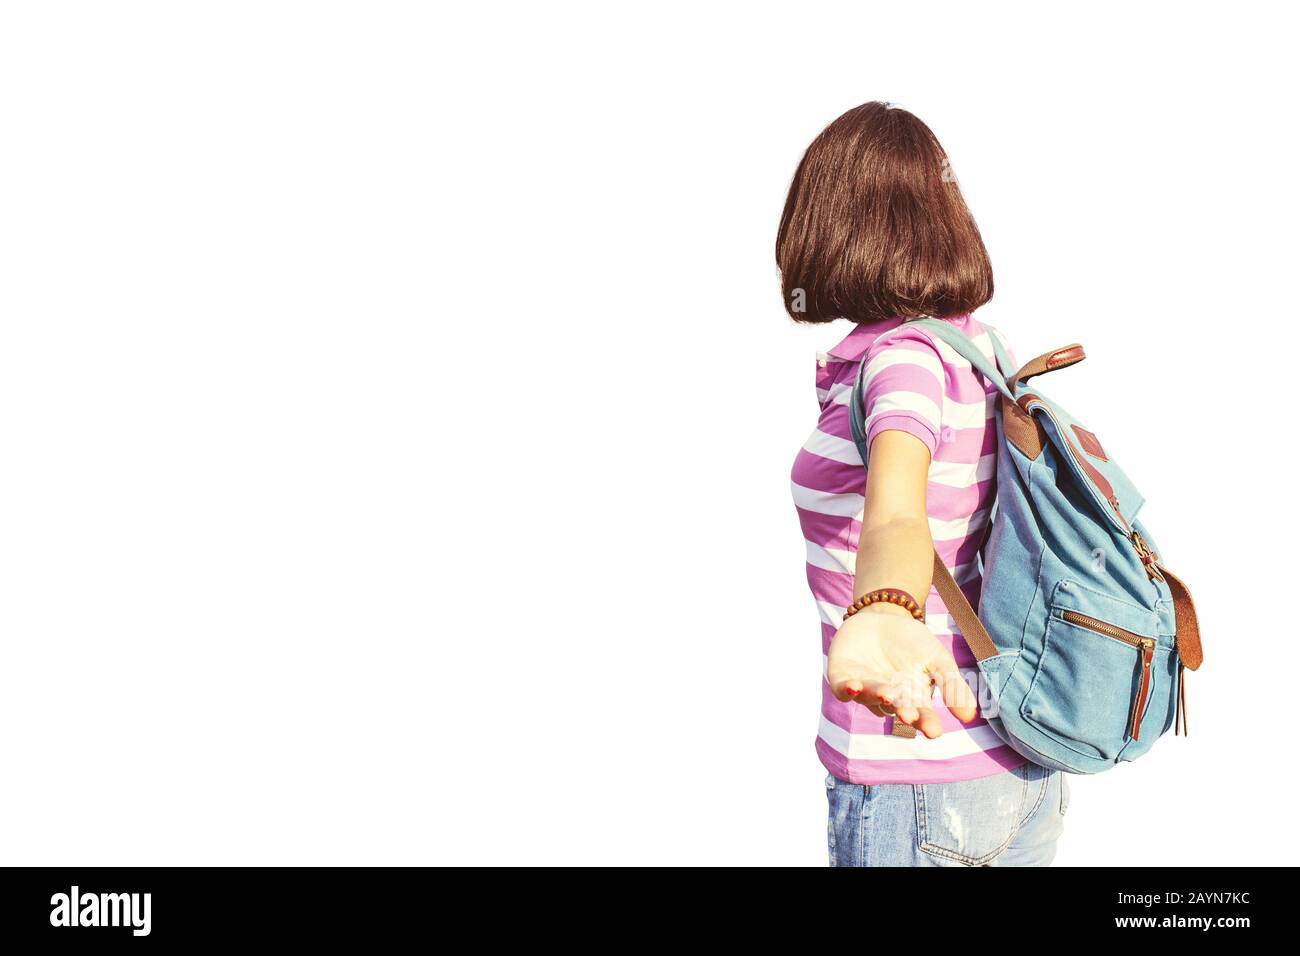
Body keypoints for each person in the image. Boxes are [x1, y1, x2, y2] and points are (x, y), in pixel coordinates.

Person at [779, 102, 1068, 867]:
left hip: (916, 774)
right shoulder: (979, 350)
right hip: (1016, 766)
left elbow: (898, 517)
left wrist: (883, 606)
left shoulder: (901, 364)